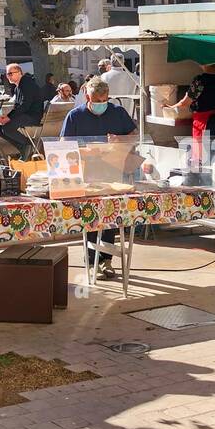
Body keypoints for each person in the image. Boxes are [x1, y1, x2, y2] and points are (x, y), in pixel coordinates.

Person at [60, 77, 138, 279]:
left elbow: (135, 135)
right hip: (87, 173)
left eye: (104, 100)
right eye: (97, 100)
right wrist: (85, 151)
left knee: (111, 218)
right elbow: (63, 145)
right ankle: (91, 258)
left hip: (114, 171)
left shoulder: (117, 112)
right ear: (87, 96)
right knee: (90, 218)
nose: (101, 104)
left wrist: (120, 139)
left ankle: (107, 261)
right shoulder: (74, 116)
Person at [173, 63, 215, 163]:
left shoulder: (200, 80)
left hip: (204, 123)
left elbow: (185, 102)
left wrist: (170, 107)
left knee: (203, 157)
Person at [0, 62, 45, 159]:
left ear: (19, 73)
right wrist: (7, 116)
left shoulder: (26, 83)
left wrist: (9, 117)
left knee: (7, 128)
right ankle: (23, 148)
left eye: (10, 73)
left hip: (32, 116)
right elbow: (18, 106)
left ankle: (28, 144)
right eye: (7, 74)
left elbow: (25, 105)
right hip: (25, 114)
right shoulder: (18, 86)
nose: (8, 76)